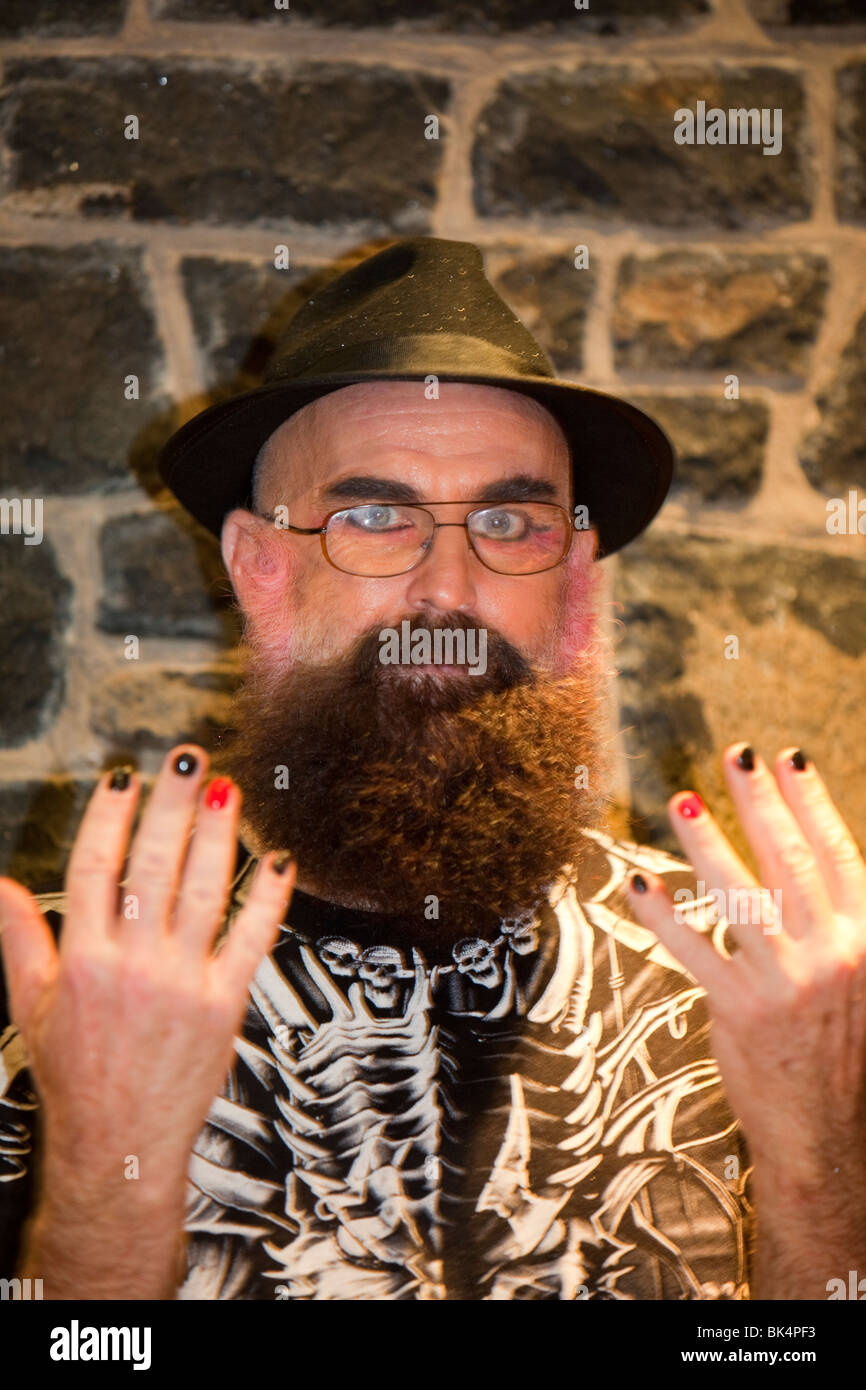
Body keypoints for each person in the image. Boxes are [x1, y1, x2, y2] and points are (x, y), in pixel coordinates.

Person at [1, 238, 864, 1302]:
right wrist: (104, 1174)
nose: (447, 590)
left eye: (509, 521)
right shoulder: (51, 996)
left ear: (576, 589)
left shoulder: (787, 990)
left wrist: (820, 1159)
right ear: (259, 569)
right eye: (372, 516)